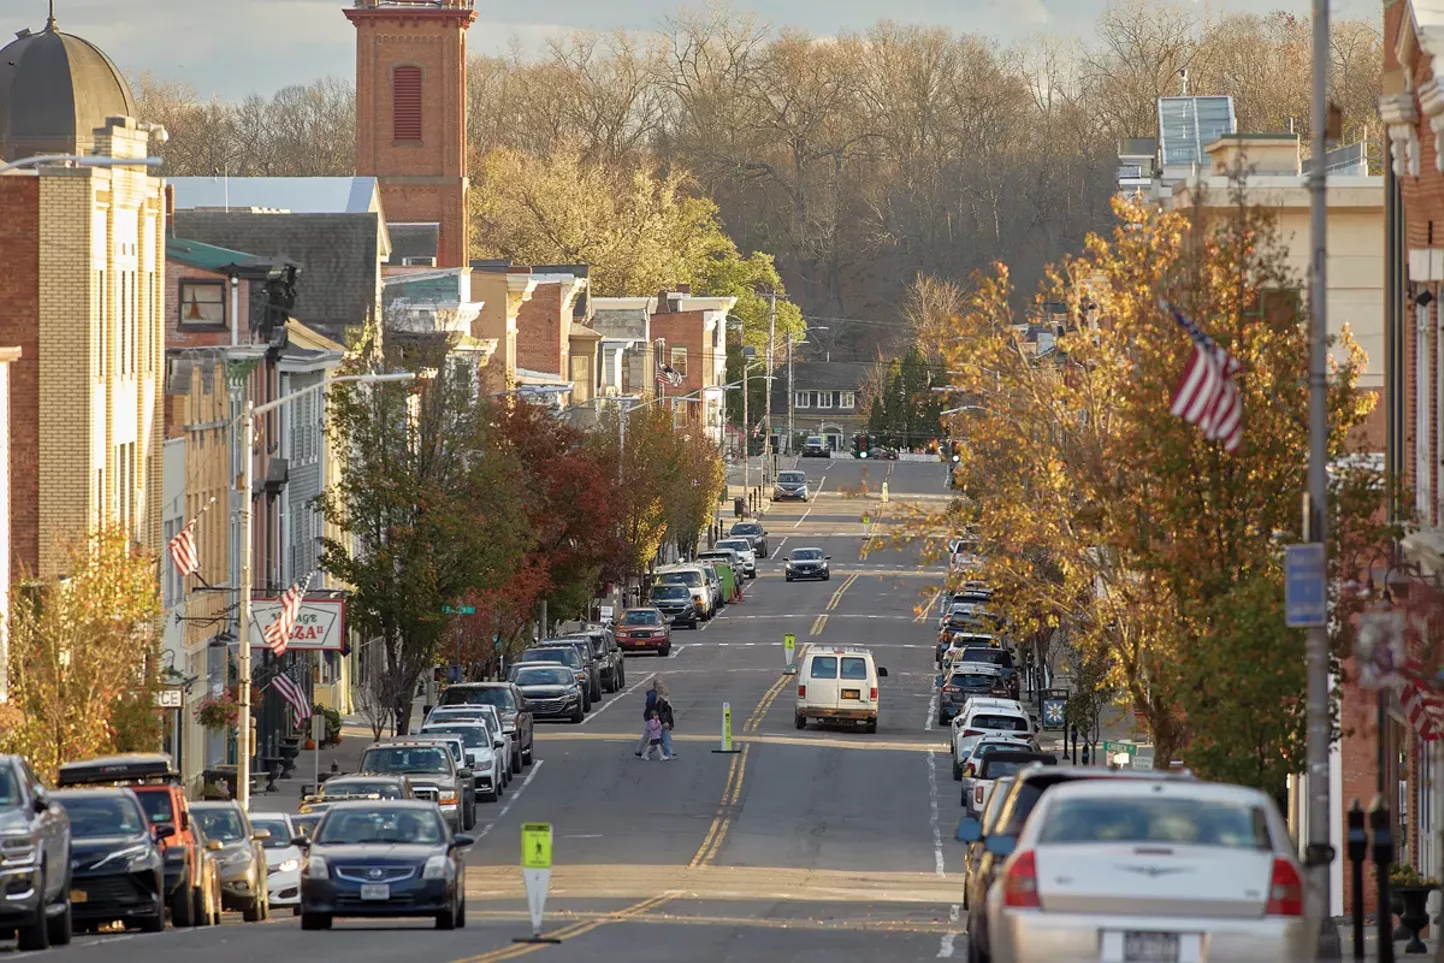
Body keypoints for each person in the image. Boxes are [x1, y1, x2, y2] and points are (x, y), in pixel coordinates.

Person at [636, 680, 661, 756]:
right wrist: (653, 715)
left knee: (651, 735)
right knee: (648, 734)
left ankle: (643, 750)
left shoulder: (654, 694)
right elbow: (650, 705)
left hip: (651, 716)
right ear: (656, 686)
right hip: (651, 717)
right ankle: (642, 751)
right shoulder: (653, 694)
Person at [655, 682, 677, 759]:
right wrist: (664, 722)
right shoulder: (661, 701)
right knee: (667, 739)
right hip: (665, 722)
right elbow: (661, 713)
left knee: (661, 739)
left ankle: (648, 751)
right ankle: (668, 753)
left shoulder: (663, 700)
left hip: (665, 722)